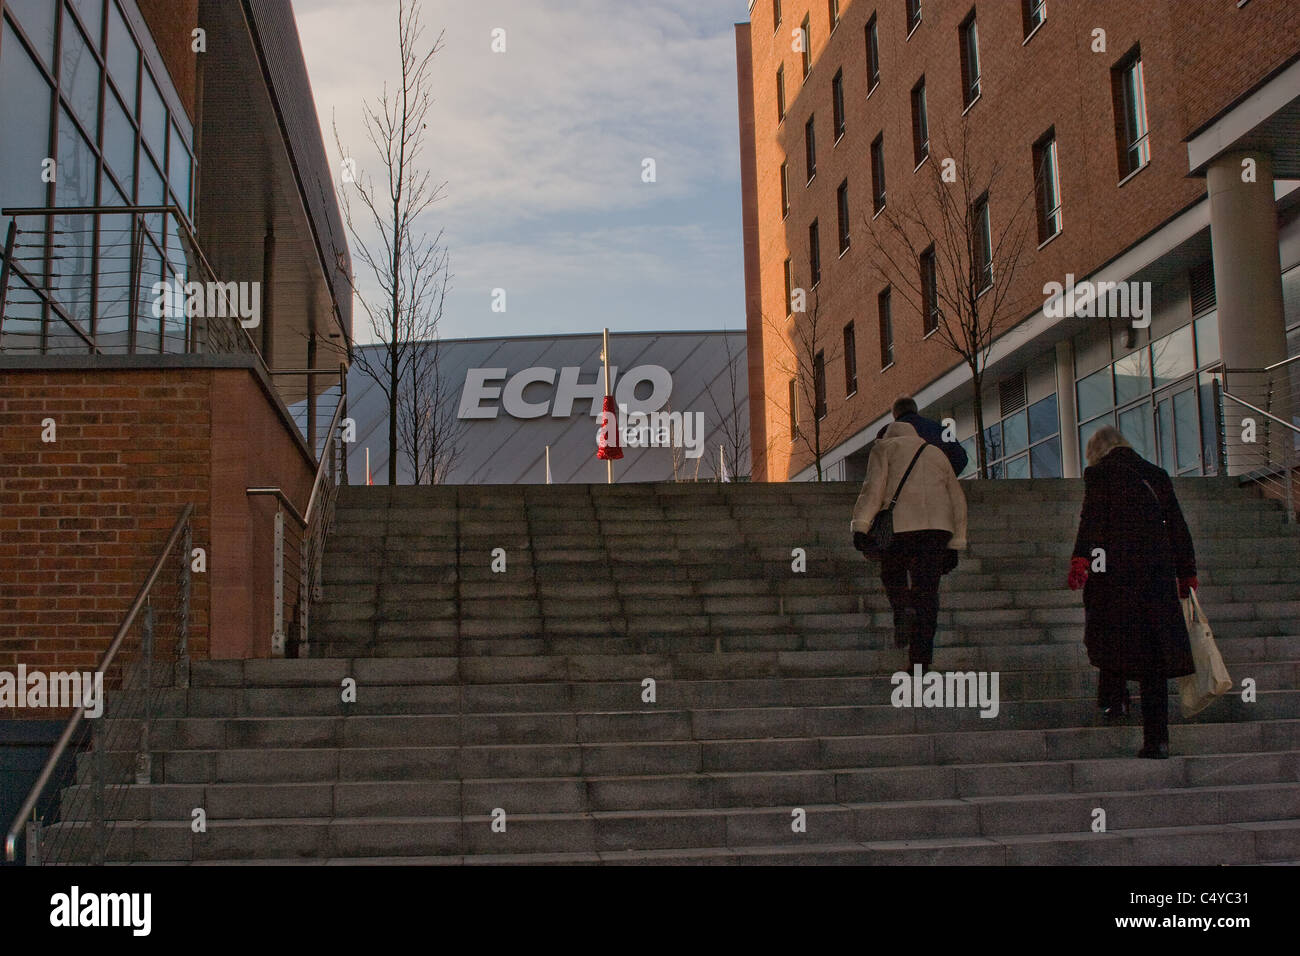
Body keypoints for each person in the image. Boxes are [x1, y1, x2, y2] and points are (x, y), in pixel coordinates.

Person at [1067, 425, 1197, 760]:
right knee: (1154, 660)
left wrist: (1082, 559)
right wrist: (1187, 573)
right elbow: (1178, 526)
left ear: (1096, 451)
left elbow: (1091, 519)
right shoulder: (1157, 475)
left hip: (1114, 577)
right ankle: (1157, 740)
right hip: (1156, 580)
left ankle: (1114, 697)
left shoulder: (1100, 474)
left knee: (1108, 635)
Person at [851, 421, 968, 671]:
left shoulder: (883, 449)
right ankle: (920, 661)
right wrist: (956, 541)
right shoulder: (936, 453)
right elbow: (957, 498)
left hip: (900, 529)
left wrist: (860, 526)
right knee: (927, 596)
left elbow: (873, 489)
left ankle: (902, 609)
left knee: (891, 573)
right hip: (937, 532)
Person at [876, 396, 969, 476]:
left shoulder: (886, 434)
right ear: (915, 410)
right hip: (935, 488)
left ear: (894, 414)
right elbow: (960, 458)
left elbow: (879, 468)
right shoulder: (940, 430)